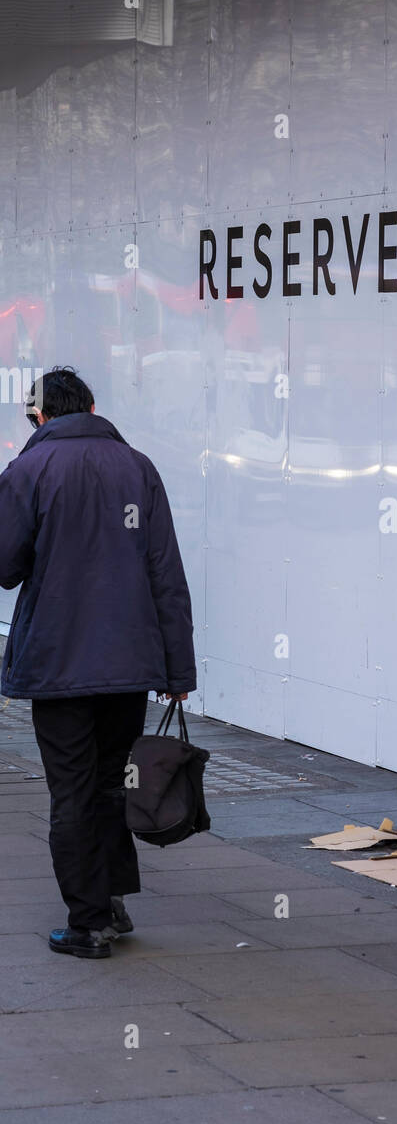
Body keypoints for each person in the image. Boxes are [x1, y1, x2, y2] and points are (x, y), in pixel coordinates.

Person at [0, 366, 196, 959]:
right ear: (90, 404)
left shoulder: (27, 471)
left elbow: (5, 567)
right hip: (129, 663)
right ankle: (109, 901)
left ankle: (87, 924)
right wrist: (178, 670)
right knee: (114, 782)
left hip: (58, 663)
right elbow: (166, 572)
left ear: (38, 415)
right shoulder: (138, 467)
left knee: (73, 791)